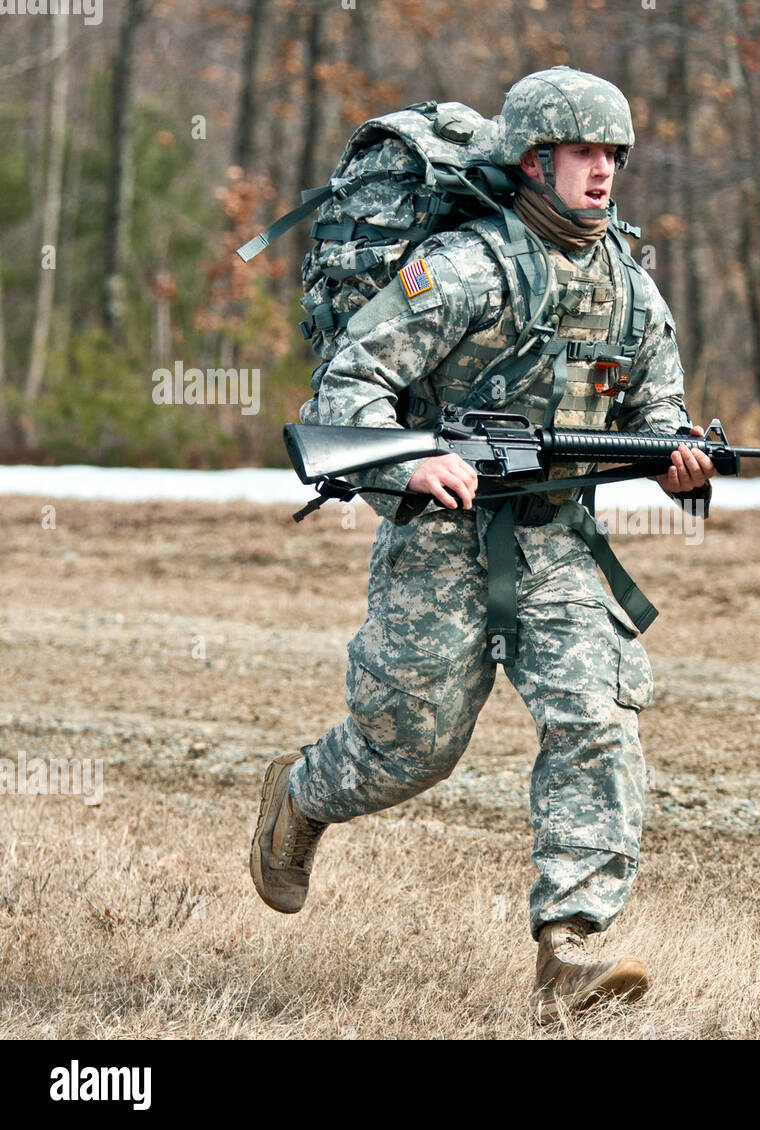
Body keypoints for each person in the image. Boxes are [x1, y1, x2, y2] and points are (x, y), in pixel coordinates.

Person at [249, 66, 716, 1023]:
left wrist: (675, 457)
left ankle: (570, 949)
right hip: (439, 542)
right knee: (408, 750)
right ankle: (299, 797)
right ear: (536, 161)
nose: (602, 174)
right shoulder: (462, 270)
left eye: (613, 157)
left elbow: (655, 404)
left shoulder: (630, 287)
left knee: (597, 720)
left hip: (556, 543)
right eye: (584, 154)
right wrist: (407, 466)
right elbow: (350, 386)